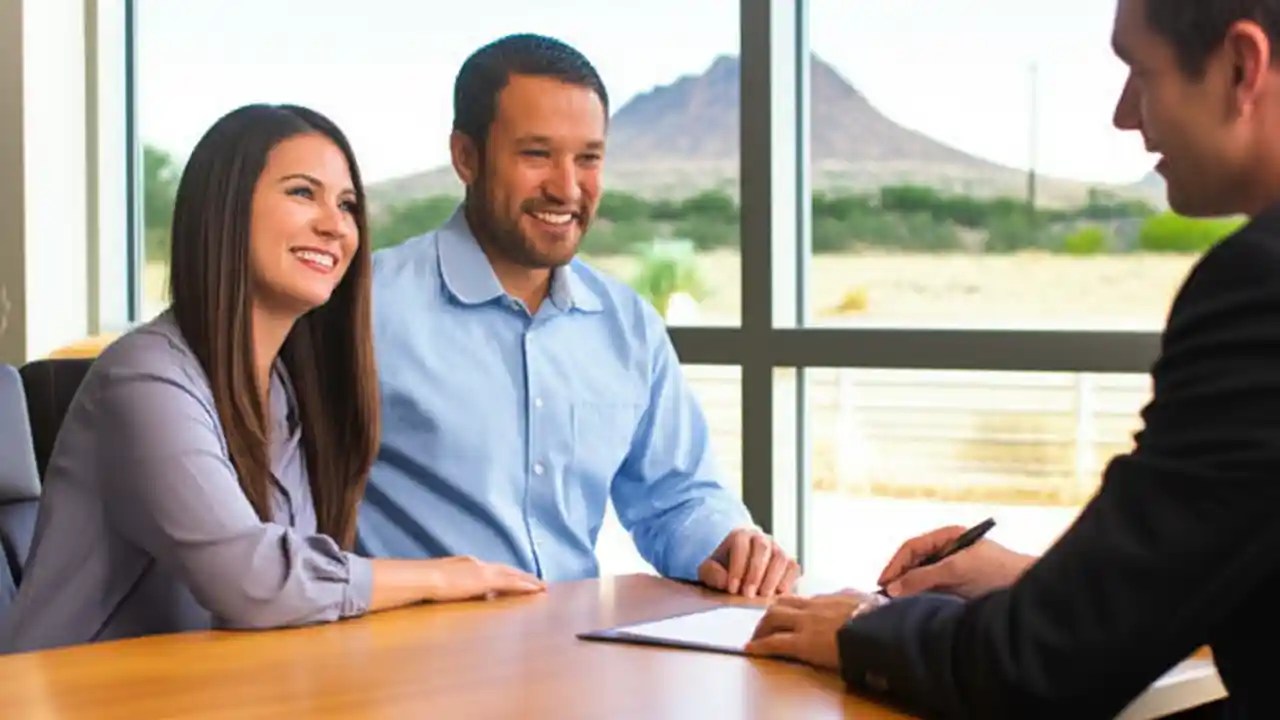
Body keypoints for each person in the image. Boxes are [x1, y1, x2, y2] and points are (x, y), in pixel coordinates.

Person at [746, 1, 1280, 716]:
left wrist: (867, 629)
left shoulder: (1261, 286)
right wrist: (1040, 584)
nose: (1126, 115)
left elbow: (1045, 667)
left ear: (1242, 68)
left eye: (1140, 72)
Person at [0, 104, 544, 654]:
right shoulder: (143, 379)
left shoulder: (284, 391)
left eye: (348, 204)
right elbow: (250, 579)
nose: (336, 225)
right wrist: (440, 578)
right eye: (303, 193)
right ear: (226, 210)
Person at [357, 34, 799, 598]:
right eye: (536, 154)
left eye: (588, 158)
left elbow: (678, 496)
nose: (567, 189)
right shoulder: (366, 310)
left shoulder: (628, 326)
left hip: (573, 655)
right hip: (405, 665)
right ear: (466, 156)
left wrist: (729, 545)